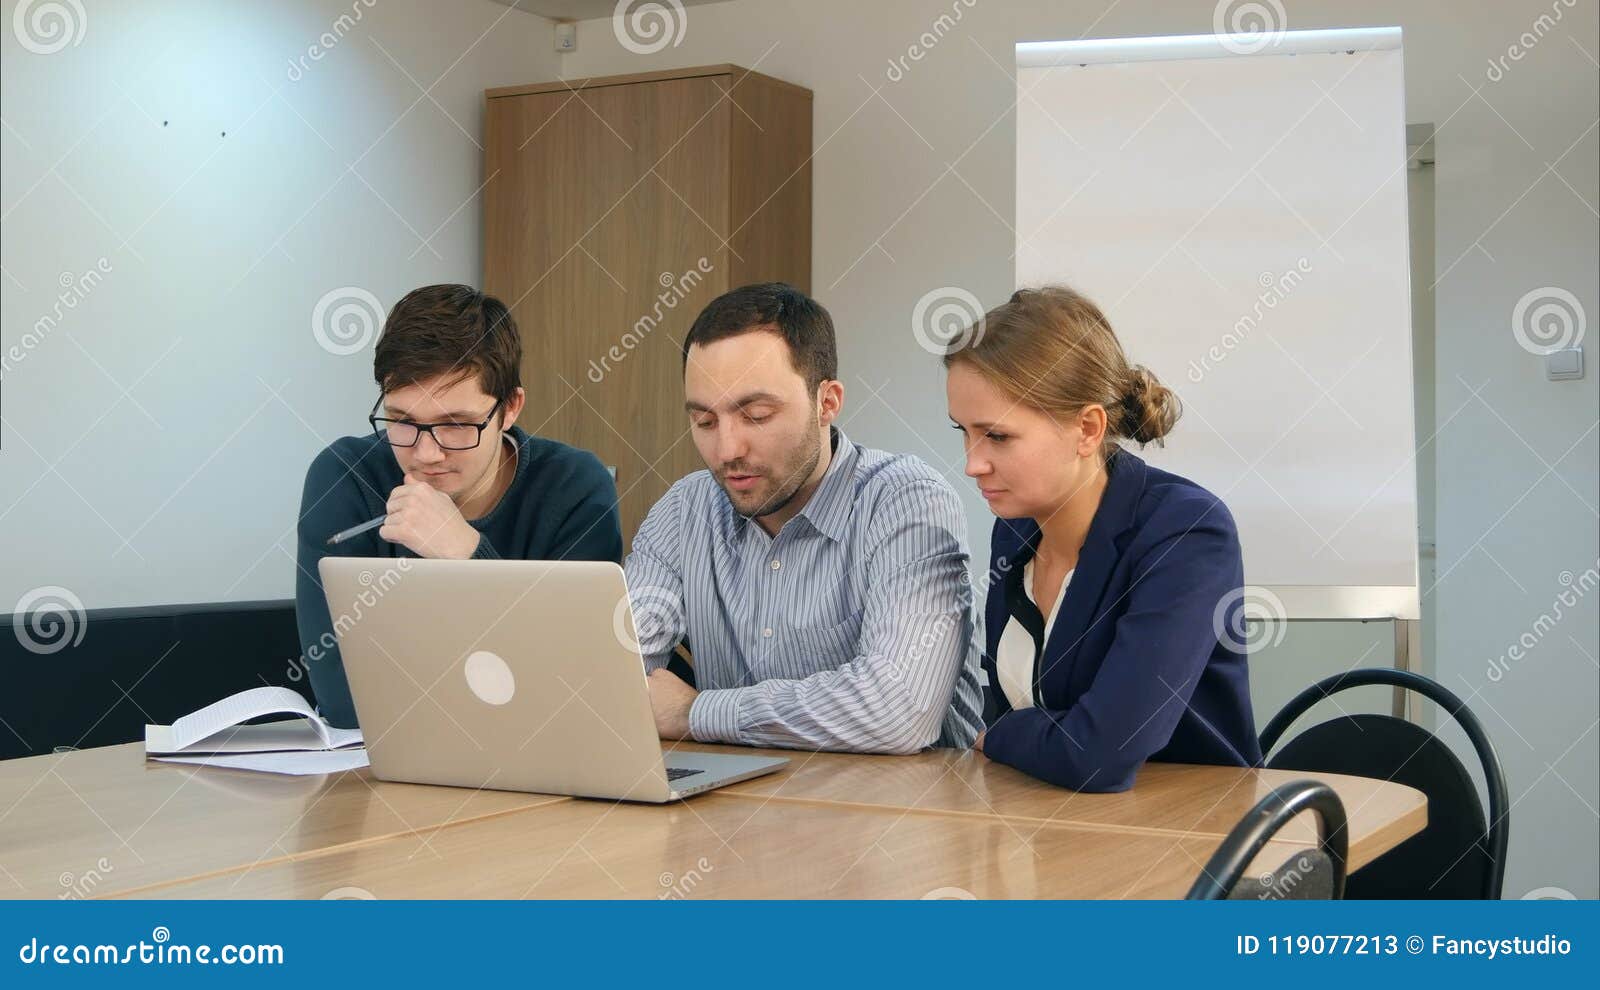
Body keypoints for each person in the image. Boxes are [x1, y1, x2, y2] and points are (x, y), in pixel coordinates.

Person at [625, 282, 983, 753]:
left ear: (827, 402)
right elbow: (613, 677)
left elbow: (896, 710)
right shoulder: (684, 510)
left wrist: (696, 712)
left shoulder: (905, 502)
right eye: (705, 422)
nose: (727, 450)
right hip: (732, 814)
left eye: (755, 415)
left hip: (904, 815)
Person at [944, 285, 1260, 792]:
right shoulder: (1015, 530)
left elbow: (1098, 756)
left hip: (1184, 843)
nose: (972, 463)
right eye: (962, 429)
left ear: (1088, 429)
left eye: (997, 435)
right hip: (1049, 825)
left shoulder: (1187, 532)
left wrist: (999, 736)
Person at [295, 284, 622, 728]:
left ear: (510, 408)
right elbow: (344, 699)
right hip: (376, 774)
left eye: (456, 425)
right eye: (403, 422)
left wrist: (466, 554)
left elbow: (571, 689)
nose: (427, 454)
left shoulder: (575, 488)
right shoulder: (344, 477)